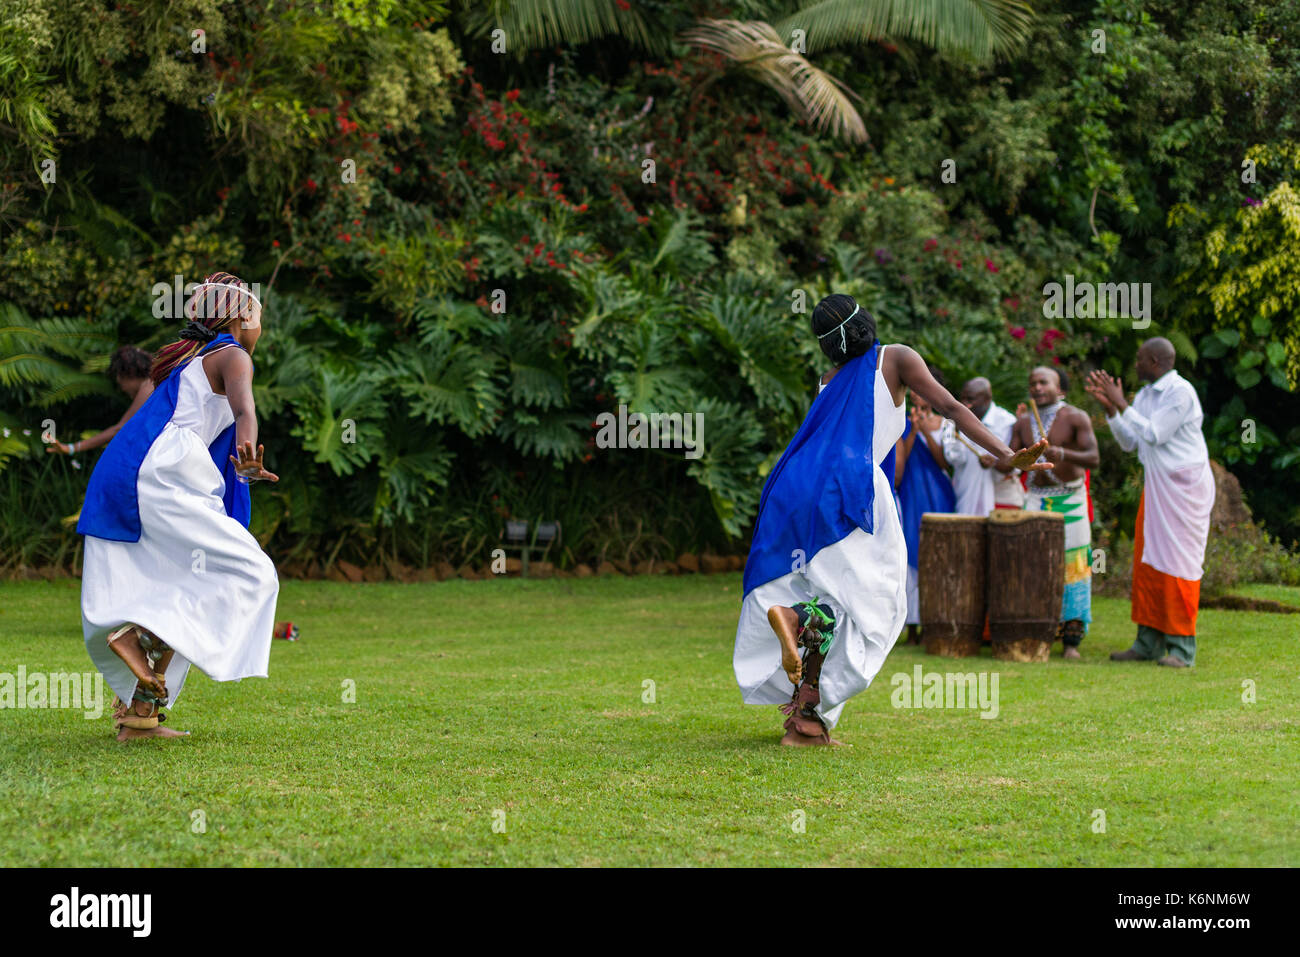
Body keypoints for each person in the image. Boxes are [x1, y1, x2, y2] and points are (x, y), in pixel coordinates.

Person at [733, 294, 1053, 746]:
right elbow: (954, 410)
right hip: (850, 489)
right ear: (865, 320)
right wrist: (1008, 454)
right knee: (878, 606)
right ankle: (795, 619)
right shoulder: (896, 357)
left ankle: (806, 721)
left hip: (794, 485)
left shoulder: (829, 378)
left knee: (838, 600)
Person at [76, 273, 280, 740]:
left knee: (188, 578)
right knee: (254, 574)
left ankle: (140, 718)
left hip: (149, 470)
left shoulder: (194, 358)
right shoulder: (234, 354)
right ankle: (139, 636)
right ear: (242, 317)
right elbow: (245, 410)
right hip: (172, 471)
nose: (261, 328)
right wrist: (247, 455)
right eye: (261, 317)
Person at [1086, 338, 1215, 668]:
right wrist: (1112, 411)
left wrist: (1122, 404)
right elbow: (1131, 442)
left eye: (1140, 359)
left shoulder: (1180, 392)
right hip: (1158, 487)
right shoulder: (1144, 395)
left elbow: (1156, 434)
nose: (1135, 365)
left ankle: (1181, 648)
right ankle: (1147, 643)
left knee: (1178, 563)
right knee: (1148, 560)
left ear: (1156, 361)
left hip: (1184, 488)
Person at [1003, 366, 1099, 658]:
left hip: (1070, 499)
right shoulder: (1022, 422)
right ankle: (1039, 630)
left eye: (1044, 382)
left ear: (1061, 389)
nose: (1037, 387)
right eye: (1033, 382)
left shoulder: (1075, 417)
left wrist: (1065, 454)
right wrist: (997, 460)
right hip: (1035, 498)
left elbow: (1094, 457)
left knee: (1074, 565)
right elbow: (1010, 459)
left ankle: (1071, 641)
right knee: (1033, 564)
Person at [894, 394, 955, 644]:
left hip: (938, 494)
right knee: (910, 554)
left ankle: (937, 620)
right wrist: (913, 430)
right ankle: (912, 627)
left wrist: (927, 433)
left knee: (939, 556)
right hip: (911, 494)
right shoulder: (902, 424)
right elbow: (901, 463)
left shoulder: (946, 424)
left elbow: (944, 462)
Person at [46, 346, 155, 457]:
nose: (123, 389)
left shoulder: (148, 385)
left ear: (129, 373)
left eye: (121, 382)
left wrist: (71, 448)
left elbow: (119, 428)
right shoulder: (155, 383)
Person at [941, 377, 1020, 516]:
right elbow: (953, 459)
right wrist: (958, 429)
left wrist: (995, 463)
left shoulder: (1007, 422)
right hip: (965, 496)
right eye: (963, 399)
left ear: (987, 398)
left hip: (1000, 497)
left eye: (970, 399)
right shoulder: (951, 423)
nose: (965, 405)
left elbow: (1016, 463)